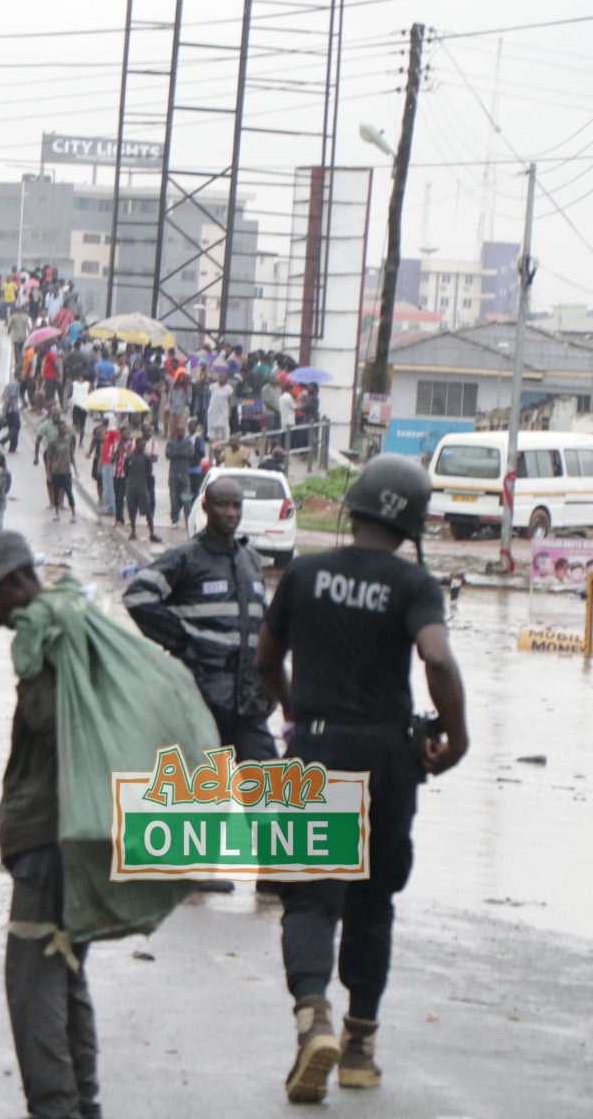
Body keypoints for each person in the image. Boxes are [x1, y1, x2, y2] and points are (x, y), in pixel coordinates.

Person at [256, 457, 468, 1104]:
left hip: (317, 751)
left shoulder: (305, 572)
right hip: (387, 758)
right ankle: (357, 1050)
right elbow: (435, 654)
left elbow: (265, 657)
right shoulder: (413, 584)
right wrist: (457, 735)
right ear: (412, 524)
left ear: (353, 508)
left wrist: (293, 706)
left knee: (310, 898)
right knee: (374, 903)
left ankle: (312, 1013)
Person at [0, 531, 100, 1119]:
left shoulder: (50, 634)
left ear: (16, 582)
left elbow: (54, 723)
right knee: (65, 977)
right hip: (83, 831)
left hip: (53, 834)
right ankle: (82, 1108)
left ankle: (57, 1111)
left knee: (33, 984)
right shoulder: (76, 615)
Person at [124, 477, 278, 774]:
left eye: (237, 505)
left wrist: (270, 687)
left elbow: (264, 625)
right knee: (203, 796)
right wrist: (183, 640)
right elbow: (138, 596)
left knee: (269, 795)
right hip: (202, 699)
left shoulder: (251, 561)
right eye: (223, 505)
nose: (231, 513)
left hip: (249, 703)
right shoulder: (185, 558)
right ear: (206, 508)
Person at [40, 409, 77, 521]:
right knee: (56, 491)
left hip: (66, 471)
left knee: (69, 492)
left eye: (66, 428)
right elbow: (49, 457)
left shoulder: (68, 441)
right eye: (63, 428)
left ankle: (73, 513)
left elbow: (71, 455)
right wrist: (48, 472)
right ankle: (56, 512)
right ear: (58, 430)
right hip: (56, 471)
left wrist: (75, 469)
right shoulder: (53, 443)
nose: (65, 430)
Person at [124, 429, 159, 542]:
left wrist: (146, 487)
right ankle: (133, 531)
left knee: (148, 511)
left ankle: (152, 533)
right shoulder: (129, 457)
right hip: (131, 487)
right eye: (141, 445)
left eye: (144, 445)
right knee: (132, 510)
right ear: (137, 445)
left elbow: (149, 474)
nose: (143, 447)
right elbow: (126, 471)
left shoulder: (146, 458)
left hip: (142, 487)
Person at [164, 425, 198, 526]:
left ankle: (188, 520)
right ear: (175, 432)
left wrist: (176, 453)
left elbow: (190, 453)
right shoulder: (171, 443)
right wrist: (181, 453)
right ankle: (174, 520)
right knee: (173, 497)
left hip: (184, 474)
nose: (181, 433)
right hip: (173, 474)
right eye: (179, 431)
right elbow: (168, 454)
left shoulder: (188, 443)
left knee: (186, 498)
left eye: (183, 431)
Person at [0, 377, 22, 452]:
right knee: (16, 427)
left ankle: (13, 447)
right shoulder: (15, 385)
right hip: (12, 410)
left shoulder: (10, 384)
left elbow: (3, 397)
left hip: (10, 410)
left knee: (12, 428)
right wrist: (6, 411)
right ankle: (3, 440)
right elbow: (10, 398)